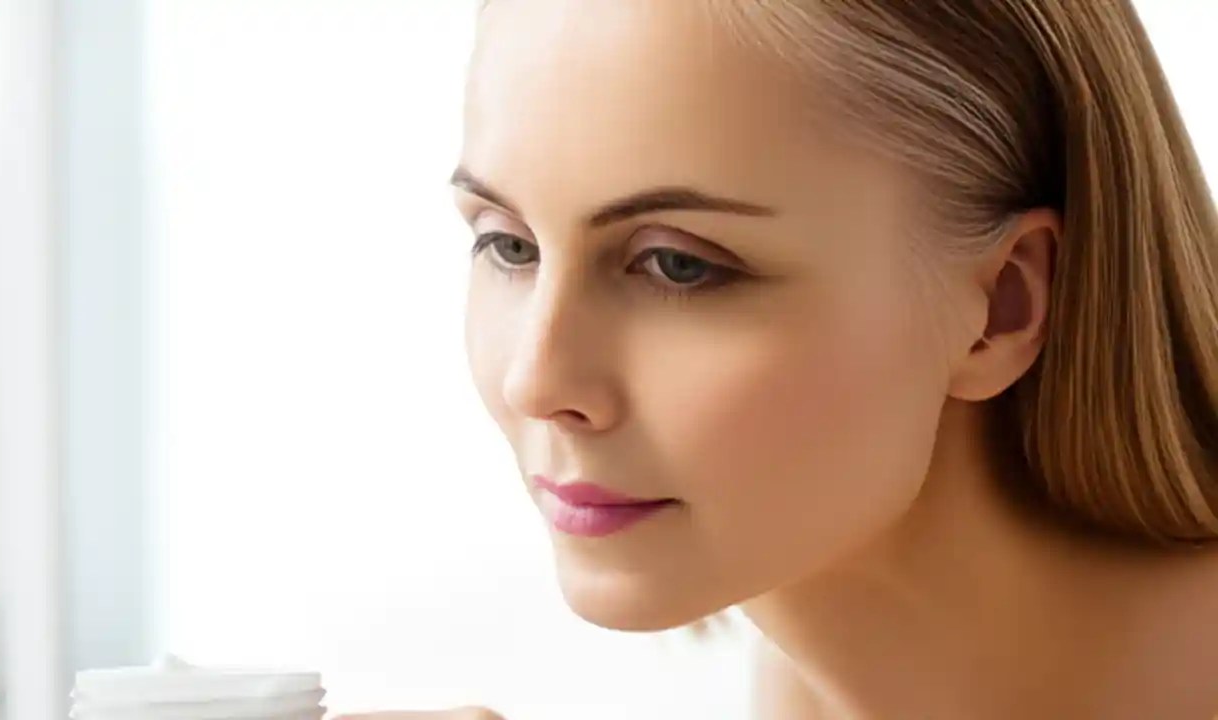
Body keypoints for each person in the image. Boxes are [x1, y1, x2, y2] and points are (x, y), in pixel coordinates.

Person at [340, 0, 1218, 717]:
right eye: (508, 246)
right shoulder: (816, 679)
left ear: (1002, 308)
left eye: (679, 264)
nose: (536, 381)